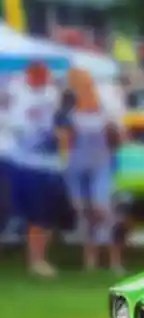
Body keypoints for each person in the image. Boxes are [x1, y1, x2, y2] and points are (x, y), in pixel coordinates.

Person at [57, 68, 124, 274]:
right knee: (84, 212)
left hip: (100, 164)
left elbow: (117, 141)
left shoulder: (105, 111)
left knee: (102, 209)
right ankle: (91, 260)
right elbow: (66, 141)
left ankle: (115, 260)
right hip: (78, 165)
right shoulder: (70, 113)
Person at [8, 61, 62, 277]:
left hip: (51, 165)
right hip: (28, 163)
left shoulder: (52, 96)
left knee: (48, 215)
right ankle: (36, 260)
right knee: (36, 215)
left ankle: (41, 257)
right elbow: (18, 127)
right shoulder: (19, 97)